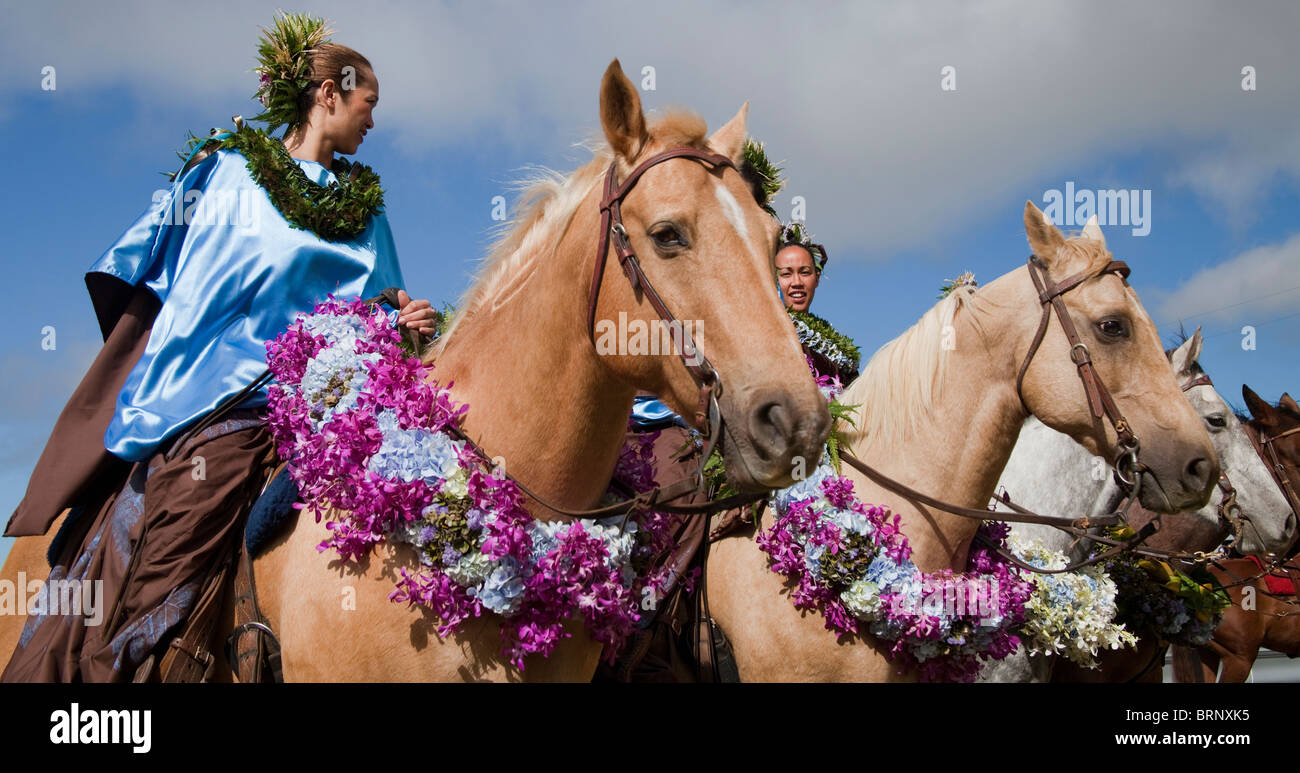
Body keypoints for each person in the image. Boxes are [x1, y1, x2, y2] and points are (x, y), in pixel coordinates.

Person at [2, 13, 436, 682]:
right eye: (367, 104)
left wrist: (403, 321)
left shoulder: (365, 210)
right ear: (328, 95)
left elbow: (380, 306)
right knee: (179, 543)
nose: (373, 123)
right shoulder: (230, 174)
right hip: (230, 398)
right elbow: (180, 281)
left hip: (337, 410)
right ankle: (116, 679)